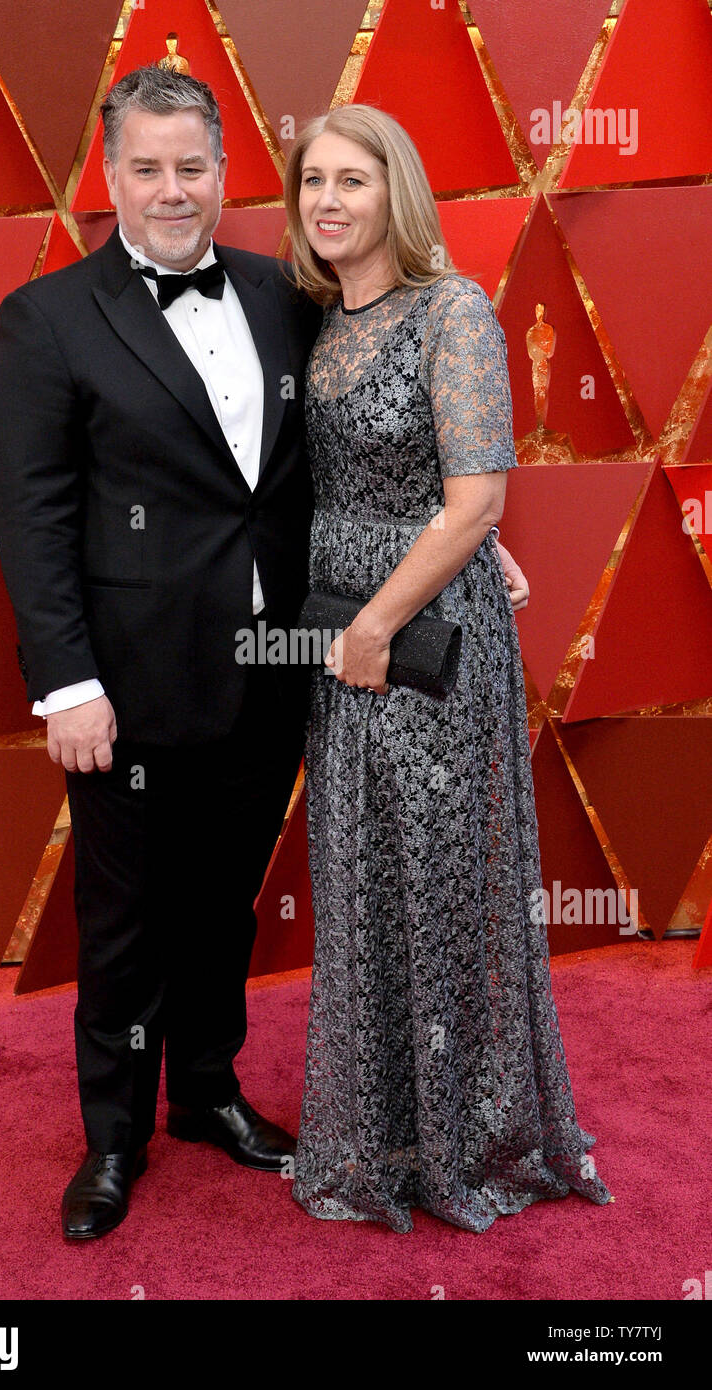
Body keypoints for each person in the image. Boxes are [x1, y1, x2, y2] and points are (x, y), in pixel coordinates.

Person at [0, 64, 530, 1242]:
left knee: (224, 904)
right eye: (146, 168)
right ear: (109, 175)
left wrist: (480, 542)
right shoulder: (45, 319)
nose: (171, 189)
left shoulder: (286, 293)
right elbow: (30, 518)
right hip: (127, 684)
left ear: (224, 173)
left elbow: (379, 449)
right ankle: (113, 1136)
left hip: (287, 665)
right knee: (125, 917)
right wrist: (66, 684)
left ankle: (207, 1091)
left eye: (191, 167)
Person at [282, 104, 613, 1233]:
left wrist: (383, 620)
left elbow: (475, 497)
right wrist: (368, 616)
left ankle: (464, 1134)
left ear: (398, 193)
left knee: (436, 875)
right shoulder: (319, 320)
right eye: (312, 181)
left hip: (419, 637)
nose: (329, 201)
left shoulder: (451, 310)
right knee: (361, 872)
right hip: (341, 630)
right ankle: (384, 1127)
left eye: (353, 180)